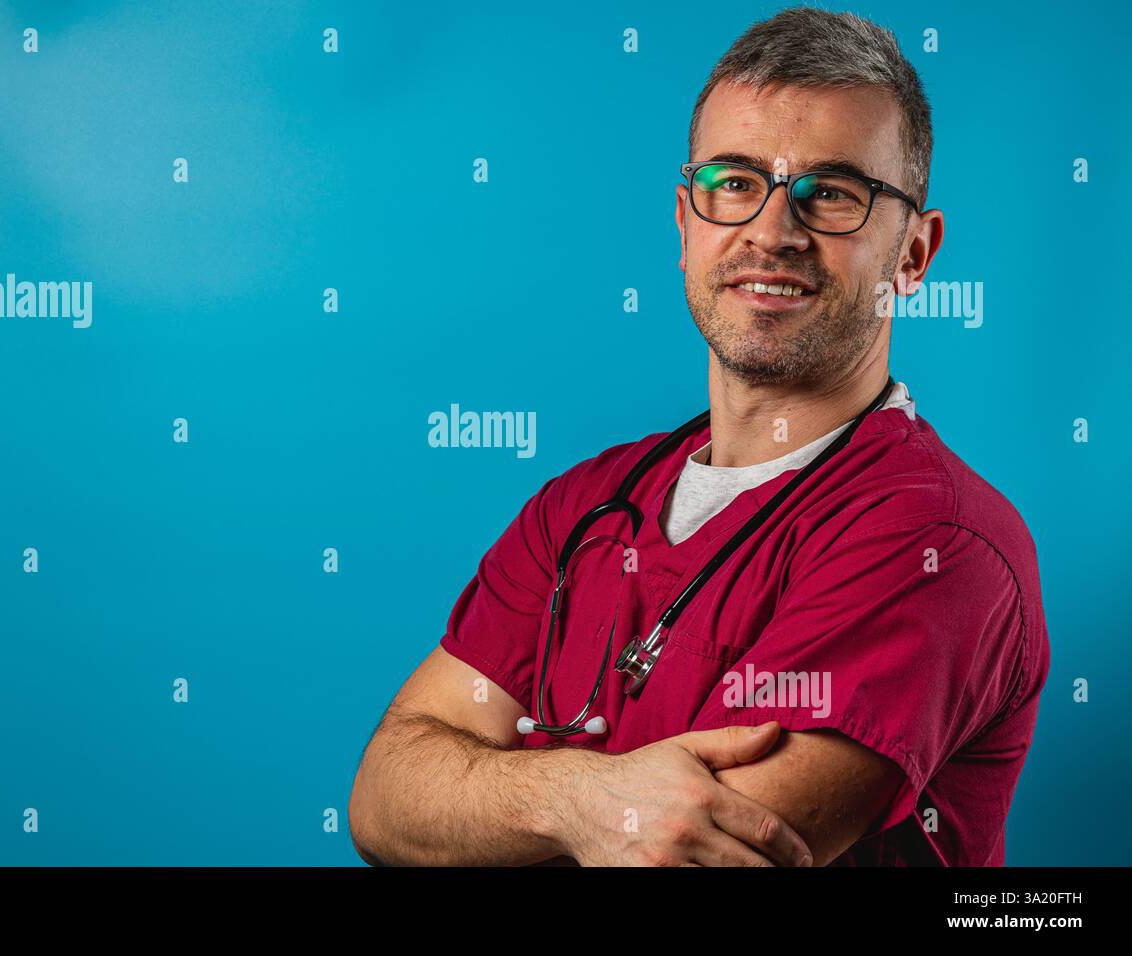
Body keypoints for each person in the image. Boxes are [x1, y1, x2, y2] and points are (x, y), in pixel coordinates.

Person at [348, 6, 1049, 867]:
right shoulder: (580, 509)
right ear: (686, 223)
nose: (772, 232)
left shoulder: (938, 542)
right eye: (735, 182)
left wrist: (499, 799)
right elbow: (384, 798)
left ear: (913, 253)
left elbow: (706, 855)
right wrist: (580, 799)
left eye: (831, 193)